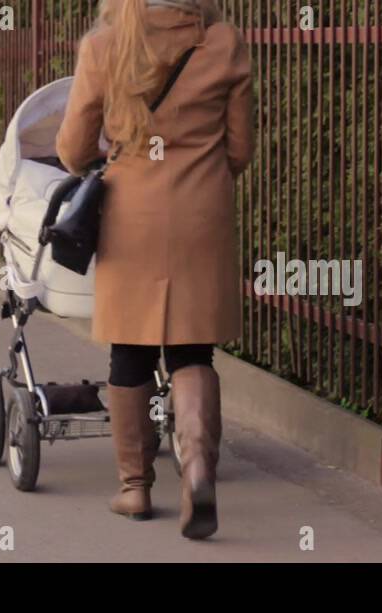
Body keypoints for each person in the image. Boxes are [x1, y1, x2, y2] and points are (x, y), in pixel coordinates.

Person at [56, 0, 253, 539]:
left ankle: (134, 487)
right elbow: (240, 150)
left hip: (132, 215)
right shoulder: (224, 44)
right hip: (201, 213)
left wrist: (107, 157)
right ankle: (196, 470)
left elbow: (73, 149)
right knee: (193, 349)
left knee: (130, 346)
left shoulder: (104, 46)